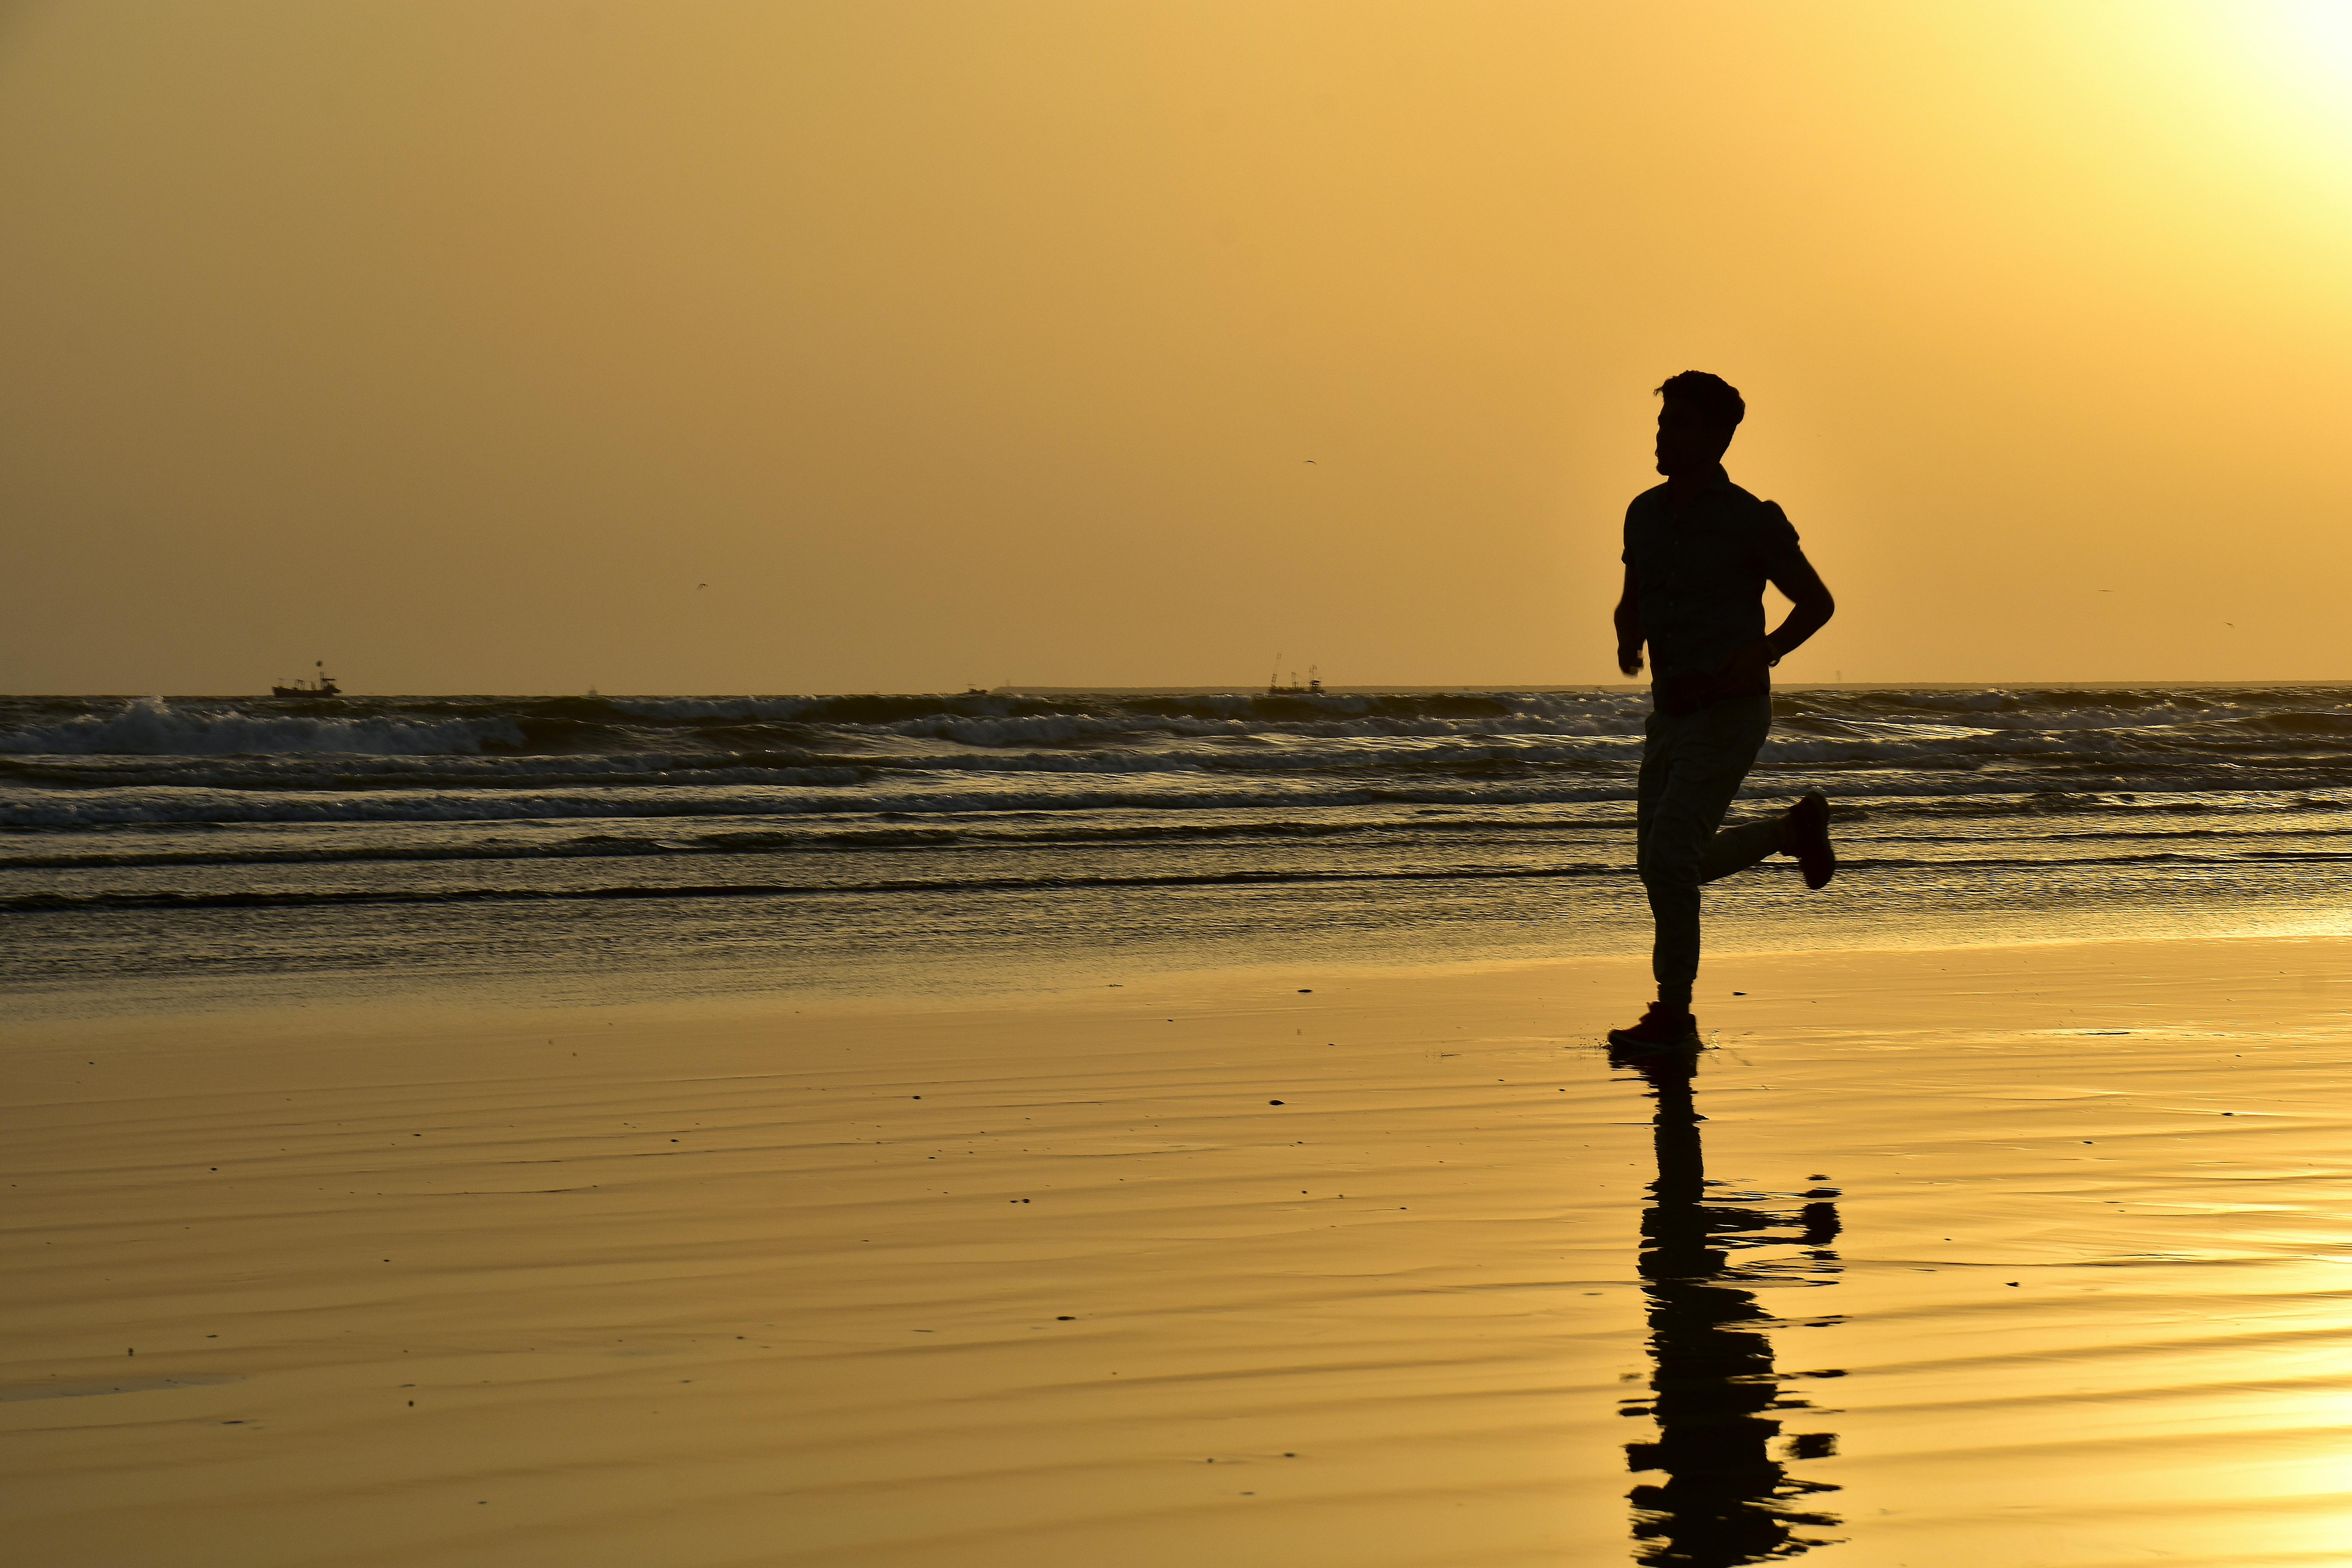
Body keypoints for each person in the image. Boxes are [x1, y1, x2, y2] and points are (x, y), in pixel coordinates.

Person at [1607, 372, 1837, 1050]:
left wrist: (1765, 651)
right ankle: (1791, 831)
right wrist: (1628, 633)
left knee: (1671, 860)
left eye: (1679, 424)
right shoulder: (1642, 514)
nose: (1662, 434)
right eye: (1662, 422)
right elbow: (1634, 596)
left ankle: (1673, 1016)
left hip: (1730, 713)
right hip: (1670, 716)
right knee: (1664, 862)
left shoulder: (1748, 519)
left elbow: (1817, 603)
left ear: (1716, 436)